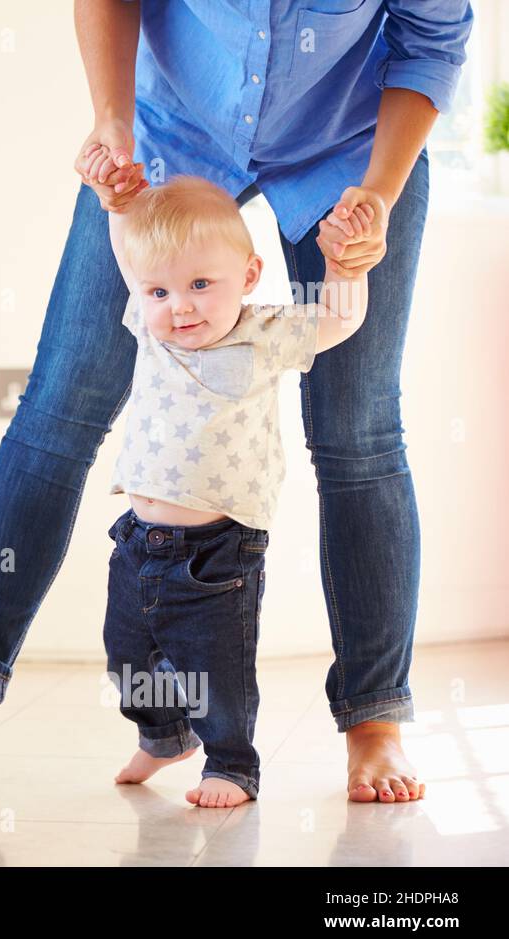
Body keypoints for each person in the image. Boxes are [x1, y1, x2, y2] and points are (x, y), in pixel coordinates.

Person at [0, 0, 472, 804]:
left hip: (350, 155)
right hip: (168, 136)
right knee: (61, 400)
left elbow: (430, 39)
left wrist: (379, 199)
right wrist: (112, 122)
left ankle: (374, 722)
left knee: (359, 432)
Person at [99, 173, 370, 807]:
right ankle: (165, 736)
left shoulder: (265, 330)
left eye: (200, 285)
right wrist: (116, 201)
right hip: (137, 543)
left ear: (248, 275)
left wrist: (340, 264)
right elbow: (127, 249)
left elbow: (340, 319)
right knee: (128, 659)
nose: (181, 306)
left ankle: (230, 765)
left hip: (221, 552)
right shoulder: (149, 324)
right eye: (161, 290)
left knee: (216, 668)